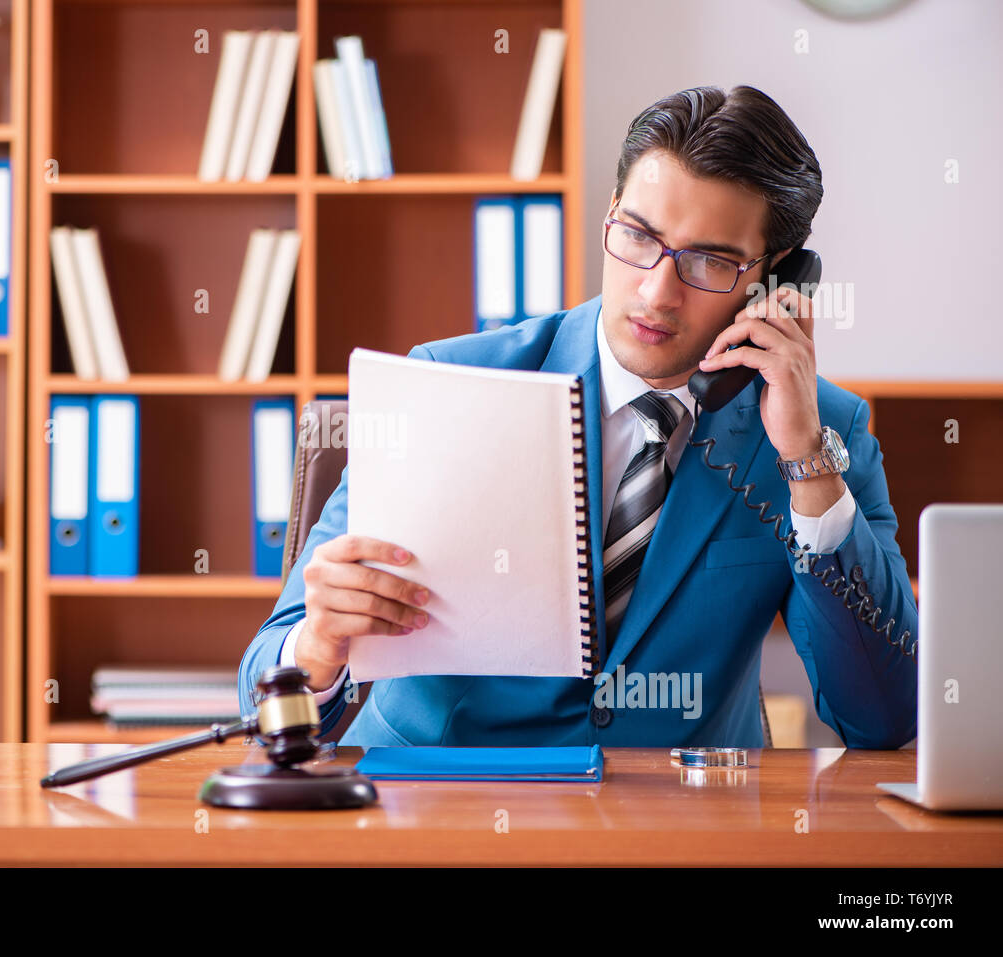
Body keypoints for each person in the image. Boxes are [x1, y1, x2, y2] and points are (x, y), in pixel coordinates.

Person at [237, 85, 917, 748]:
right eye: (639, 235)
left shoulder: (824, 433)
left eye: (710, 260)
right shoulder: (447, 381)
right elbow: (260, 695)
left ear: (777, 282)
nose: (656, 291)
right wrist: (319, 644)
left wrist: (806, 466)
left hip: (679, 823)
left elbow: (884, 716)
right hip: (444, 806)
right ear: (612, 212)